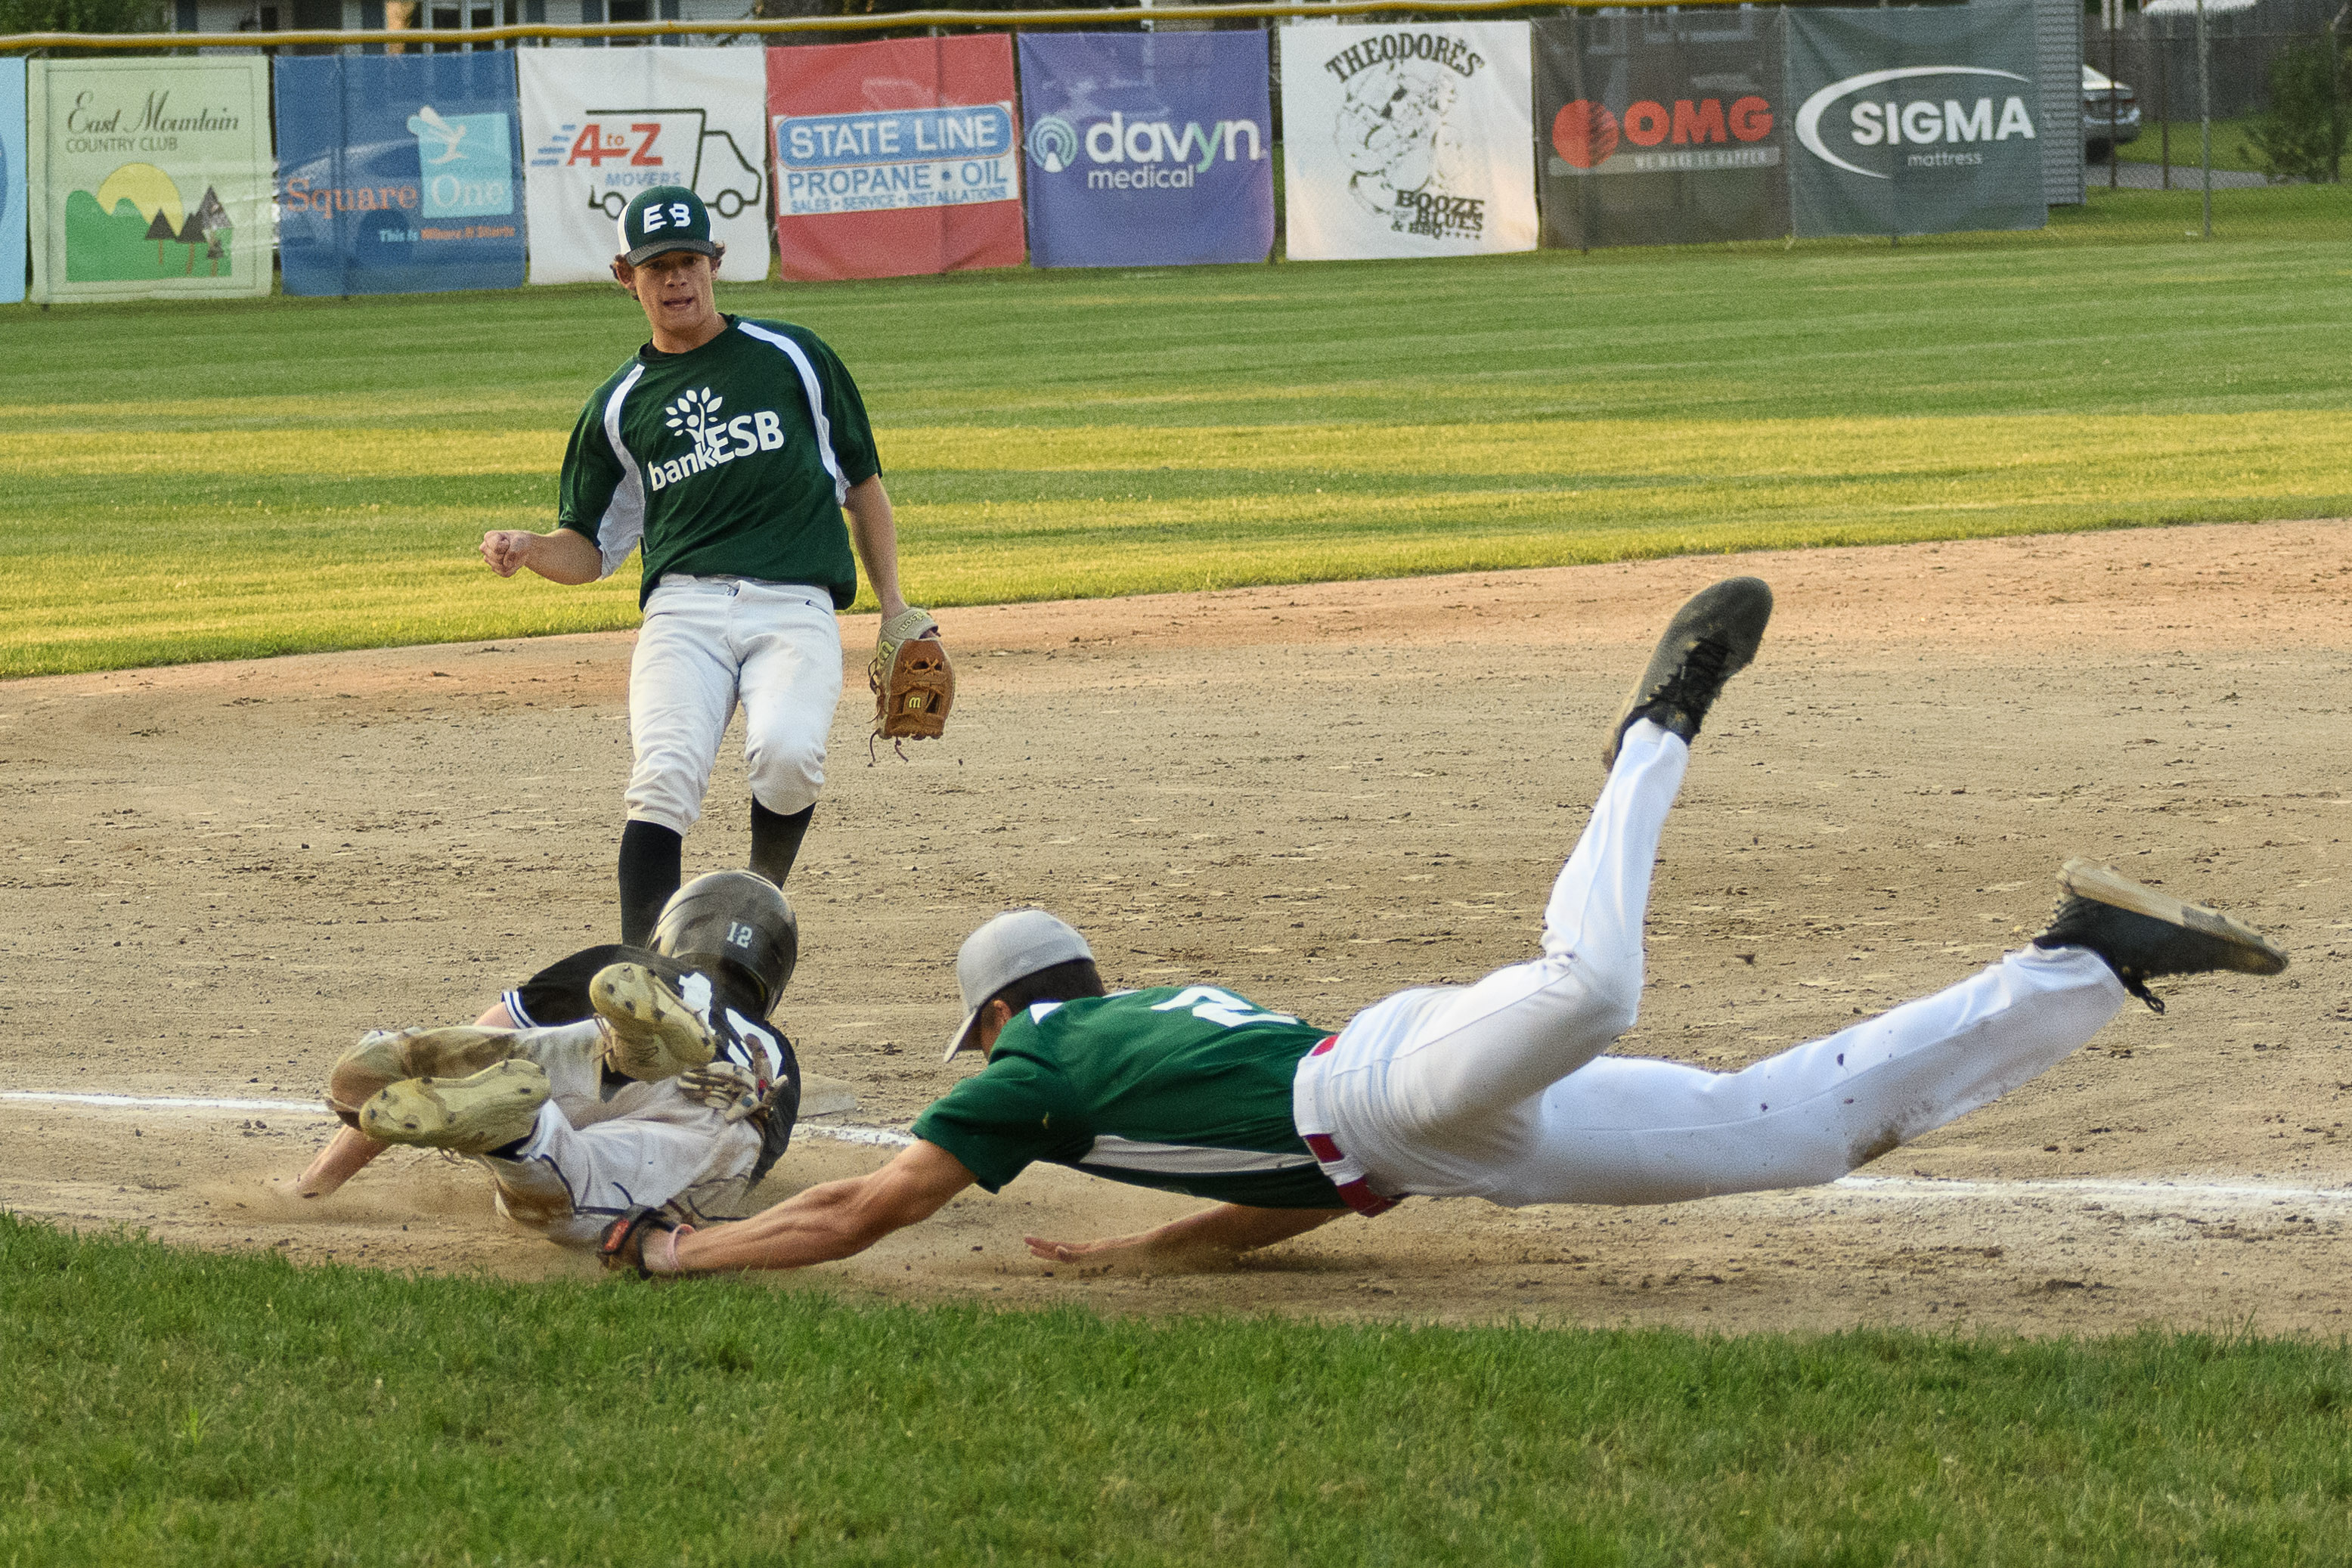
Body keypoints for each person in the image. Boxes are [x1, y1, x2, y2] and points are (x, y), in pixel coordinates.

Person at [594, 578, 2289, 1278]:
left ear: (996, 1017)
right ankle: (2087, 952)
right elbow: (1320, 1186)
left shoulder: (1040, 1063)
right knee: (1802, 1127)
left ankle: (1656, 725)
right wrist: (1137, 1255)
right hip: (1430, 1128)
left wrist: (673, 1250)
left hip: (1399, 1088)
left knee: (1594, 980)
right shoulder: (1141, 1033)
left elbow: (859, 1203)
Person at [477, 184, 931, 944]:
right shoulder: (618, 406)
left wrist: (895, 606)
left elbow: (863, 487)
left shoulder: (794, 357)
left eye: (689, 260)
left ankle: (747, 920)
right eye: (658, 267)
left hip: (796, 606)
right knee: (661, 779)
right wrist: (530, 550)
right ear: (627, 277)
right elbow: (589, 550)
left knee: (788, 755)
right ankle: (640, 977)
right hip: (683, 613)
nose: (677, 279)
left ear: (716, 262)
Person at [290, 871, 805, 1248]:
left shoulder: (621, 963)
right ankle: (520, 1135)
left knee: (530, 1061)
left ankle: (611, 1055)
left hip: (599, 1047)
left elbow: (485, 1031)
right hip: (729, 1097)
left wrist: (315, 1185)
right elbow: (741, 1181)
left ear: (674, 931)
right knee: (574, 1188)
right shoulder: (777, 1048)